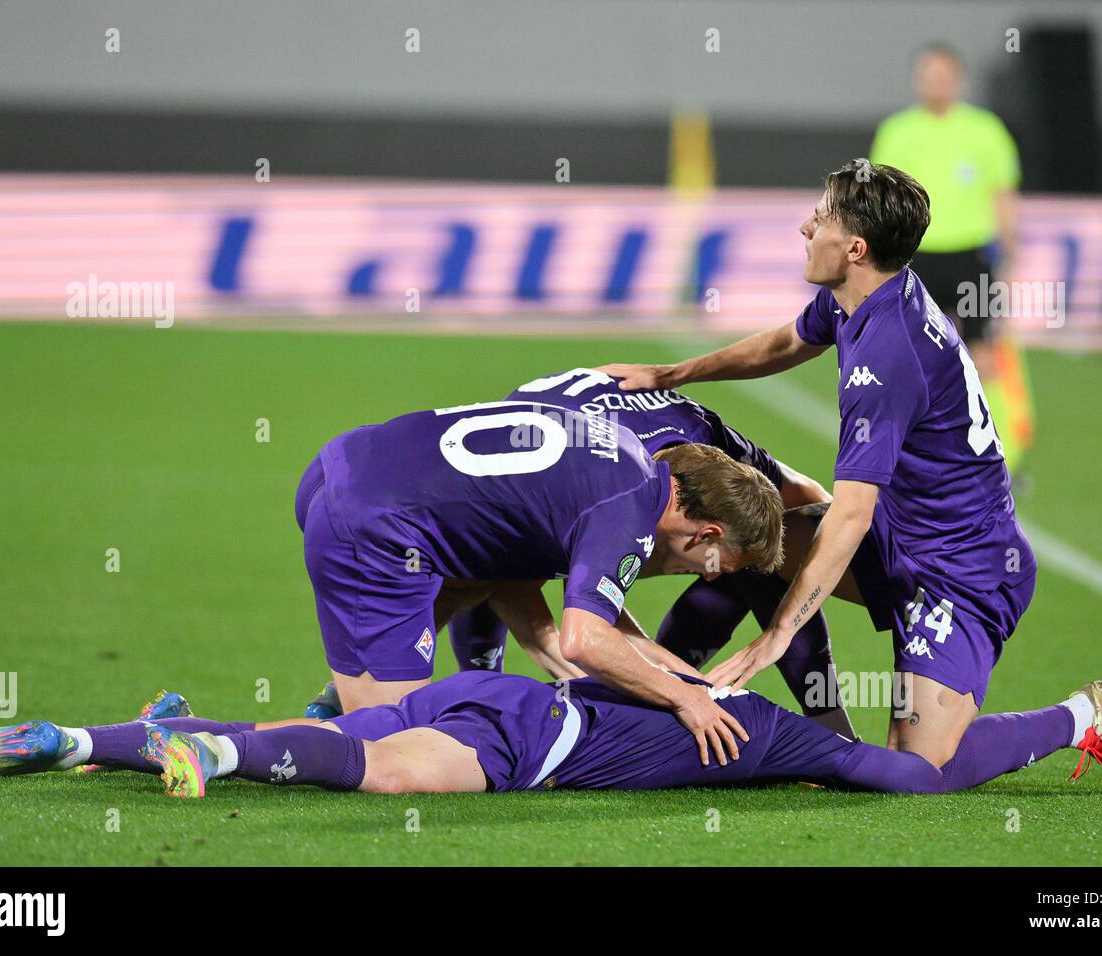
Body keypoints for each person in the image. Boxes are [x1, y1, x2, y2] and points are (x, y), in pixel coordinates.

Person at [597, 161, 1058, 775]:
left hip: (958, 571)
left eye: (820, 219)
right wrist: (672, 373)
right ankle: (676, 705)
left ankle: (1083, 717)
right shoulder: (861, 295)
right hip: (899, 534)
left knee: (915, 771)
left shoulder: (888, 356)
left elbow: (850, 516)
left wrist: (778, 634)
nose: (804, 227)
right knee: (752, 544)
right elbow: (789, 341)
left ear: (856, 248)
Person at [290, 400, 785, 765]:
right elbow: (585, 640)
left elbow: (522, 593)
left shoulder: (626, 456)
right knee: (392, 745)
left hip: (346, 465)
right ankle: (223, 745)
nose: (701, 575)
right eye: (714, 565)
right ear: (707, 532)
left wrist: (697, 687)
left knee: (469, 584)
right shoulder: (629, 514)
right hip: (373, 527)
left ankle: (338, 696)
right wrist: (682, 698)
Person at [405, 367, 864, 737]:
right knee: (490, 571)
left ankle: (828, 727)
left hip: (606, 418)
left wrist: (674, 684)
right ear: (698, 530)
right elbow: (548, 619)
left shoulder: (731, 461)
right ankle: (473, 696)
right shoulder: (613, 495)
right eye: (709, 562)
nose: (707, 577)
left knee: (759, 565)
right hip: (523, 458)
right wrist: (655, 688)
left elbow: (807, 498)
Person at [0, 673, 1102, 796]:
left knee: (323, 735)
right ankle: (1077, 712)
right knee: (376, 772)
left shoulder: (651, 636)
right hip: (530, 736)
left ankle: (82, 737)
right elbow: (898, 766)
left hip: (505, 698)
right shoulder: (772, 735)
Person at [869, 43, 1033, 471]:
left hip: (972, 257)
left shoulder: (985, 130)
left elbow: (1003, 195)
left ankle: (1000, 457)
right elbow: (882, 199)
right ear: (917, 79)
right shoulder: (897, 131)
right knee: (910, 353)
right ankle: (911, 454)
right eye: (928, 74)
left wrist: (1010, 253)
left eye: (943, 74)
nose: (936, 82)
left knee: (982, 352)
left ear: (957, 78)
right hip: (915, 258)